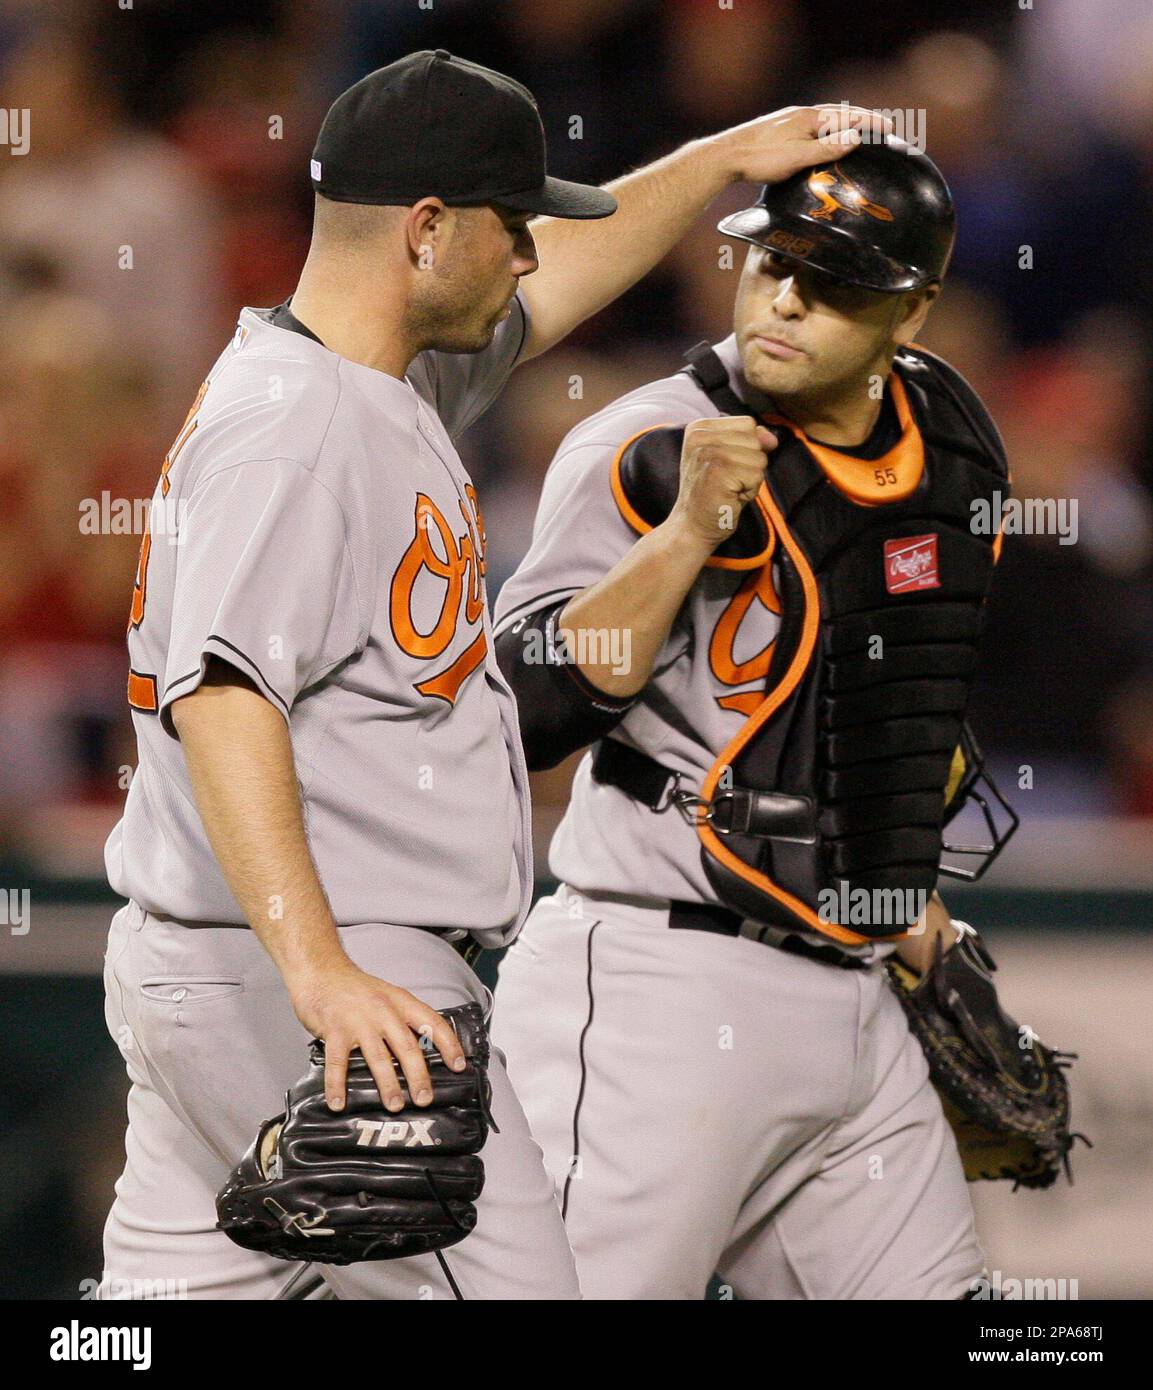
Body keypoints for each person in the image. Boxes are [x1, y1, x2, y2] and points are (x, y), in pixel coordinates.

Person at [98, 48, 883, 1300]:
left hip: (227, 960)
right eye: (510, 226)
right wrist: (322, 973)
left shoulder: (359, 381)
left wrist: (720, 160)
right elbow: (222, 698)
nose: (529, 256)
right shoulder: (295, 428)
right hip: (339, 966)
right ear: (425, 231)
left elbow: (559, 284)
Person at [492, 136, 1007, 1299]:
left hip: (856, 991)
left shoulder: (945, 445)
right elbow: (514, 713)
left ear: (911, 311)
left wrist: (907, 906)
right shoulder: (641, 443)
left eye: (832, 282)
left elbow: (876, 706)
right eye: (771, 262)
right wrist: (679, 541)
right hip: (655, 983)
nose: (782, 298)